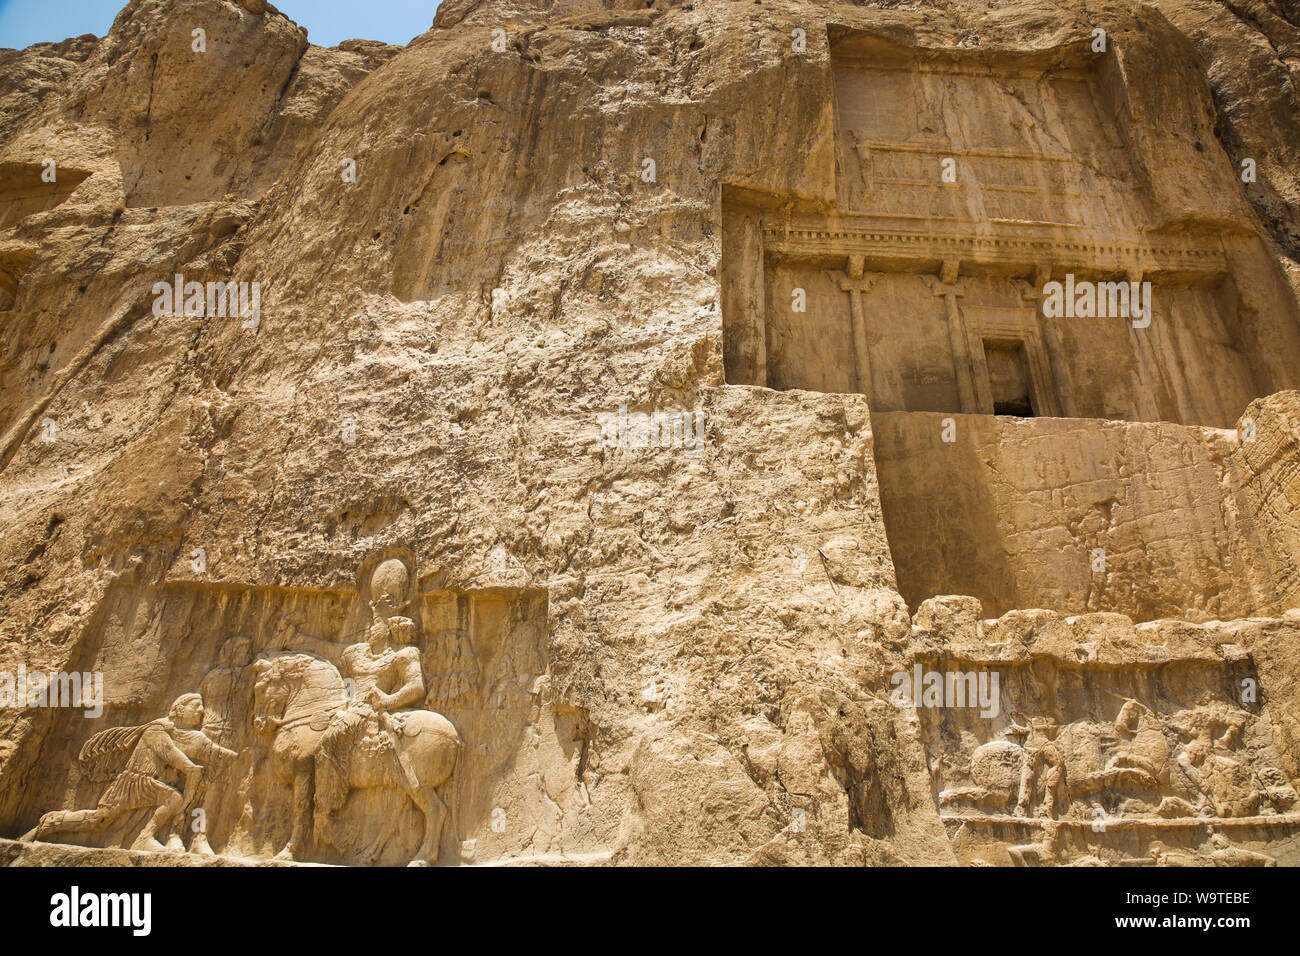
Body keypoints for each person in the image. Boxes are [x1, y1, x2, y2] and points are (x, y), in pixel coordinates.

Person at [22, 693, 235, 852]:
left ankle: (146, 836)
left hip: (145, 783)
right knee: (98, 820)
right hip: (133, 782)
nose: (201, 711)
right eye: (196, 706)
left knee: (171, 798)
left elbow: (207, 751)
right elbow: (170, 754)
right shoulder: (156, 730)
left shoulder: (177, 733)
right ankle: (50, 823)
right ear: (179, 709)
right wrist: (189, 768)